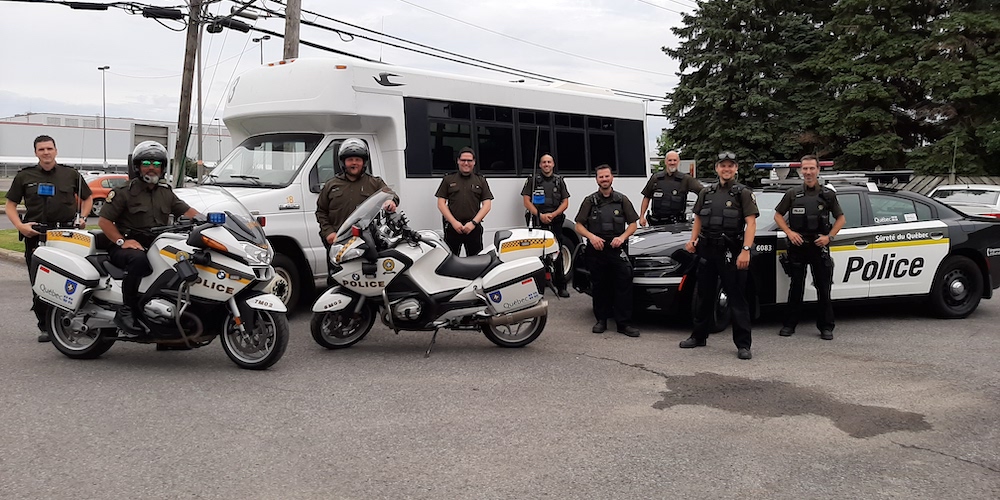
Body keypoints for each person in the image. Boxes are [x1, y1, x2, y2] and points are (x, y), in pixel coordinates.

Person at [98, 141, 199, 333]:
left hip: (156, 244)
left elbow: (187, 211)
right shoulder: (123, 192)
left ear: (162, 168)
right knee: (138, 260)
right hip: (125, 245)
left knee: (183, 262)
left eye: (156, 163)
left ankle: (168, 320)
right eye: (146, 163)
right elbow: (104, 221)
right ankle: (127, 310)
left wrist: (209, 220)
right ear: (137, 167)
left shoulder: (165, 193)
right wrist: (122, 241)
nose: (151, 167)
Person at [5, 135, 93, 342]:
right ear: (36, 152)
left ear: (56, 150)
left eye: (49, 148)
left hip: (66, 236)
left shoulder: (70, 174)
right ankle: (46, 326)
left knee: (72, 281)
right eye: (41, 149)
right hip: (37, 235)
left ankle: (70, 322)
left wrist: (84, 217)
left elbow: (87, 198)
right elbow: (10, 205)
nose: (46, 152)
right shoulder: (24, 177)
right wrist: (20, 226)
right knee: (41, 282)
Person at [679, 151, 759, 359]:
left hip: (731, 251)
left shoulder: (743, 193)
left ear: (736, 168)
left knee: (736, 298)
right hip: (707, 249)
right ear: (717, 168)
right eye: (723, 165)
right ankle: (698, 336)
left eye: (730, 166)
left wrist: (746, 250)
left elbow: (751, 223)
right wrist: (692, 240)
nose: (726, 169)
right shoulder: (707, 192)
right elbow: (698, 218)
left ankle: (743, 345)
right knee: (704, 296)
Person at [773, 155, 846, 340]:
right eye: (804, 169)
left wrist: (829, 237)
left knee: (823, 287)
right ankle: (789, 325)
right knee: (796, 286)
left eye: (811, 168)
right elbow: (778, 216)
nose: (808, 172)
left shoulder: (827, 194)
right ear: (801, 171)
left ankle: (826, 327)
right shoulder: (792, 193)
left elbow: (841, 219)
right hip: (798, 246)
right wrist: (789, 232)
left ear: (818, 170)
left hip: (819, 246)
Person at [574, 164, 640, 337]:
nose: (604, 179)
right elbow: (578, 225)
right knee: (599, 286)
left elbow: (633, 224)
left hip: (616, 248)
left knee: (623, 286)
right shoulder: (590, 201)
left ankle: (623, 324)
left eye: (607, 176)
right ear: (597, 179)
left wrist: (622, 237)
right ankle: (601, 320)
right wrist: (591, 237)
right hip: (597, 249)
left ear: (612, 178)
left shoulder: (622, 200)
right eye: (601, 177)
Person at [316, 137, 399, 246]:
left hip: (367, 241)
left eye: (358, 160)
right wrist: (328, 232)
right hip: (339, 241)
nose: (354, 163)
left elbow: (392, 196)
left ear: (364, 162)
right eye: (350, 160)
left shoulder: (375, 182)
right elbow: (321, 212)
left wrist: (391, 202)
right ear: (343, 162)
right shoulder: (331, 185)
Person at [521, 153, 571, 297]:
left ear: (553, 164)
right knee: (536, 255)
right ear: (540, 165)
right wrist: (540, 215)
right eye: (544, 162)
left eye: (549, 162)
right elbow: (526, 201)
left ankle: (561, 286)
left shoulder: (559, 181)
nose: (546, 165)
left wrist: (553, 215)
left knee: (557, 253)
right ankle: (537, 289)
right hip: (537, 220)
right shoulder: (532, 180)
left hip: (555, 221)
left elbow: (565, 202)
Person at [436, 147, 493, 256]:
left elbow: (487, 205)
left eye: (469, 160)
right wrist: (454, 222)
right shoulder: (448, 179)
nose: (466, 163)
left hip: (473, 228)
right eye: (463, 160)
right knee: (449, 261)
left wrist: (473, 223)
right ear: (458, 161)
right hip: (452, 228)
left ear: (474, 162)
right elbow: (441, 203)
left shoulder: (480, 180)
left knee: (476, 262)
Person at [639, 150, 703, 226]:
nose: (672, 163)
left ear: (678, 162)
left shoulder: (686, 179)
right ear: (665, 162)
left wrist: (698, 211)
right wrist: (642, 216)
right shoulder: (656, 178)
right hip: (656, 223)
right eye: (670, 160)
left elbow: (703, 192)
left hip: (677, 224)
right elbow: (647, 197)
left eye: (674, 160)